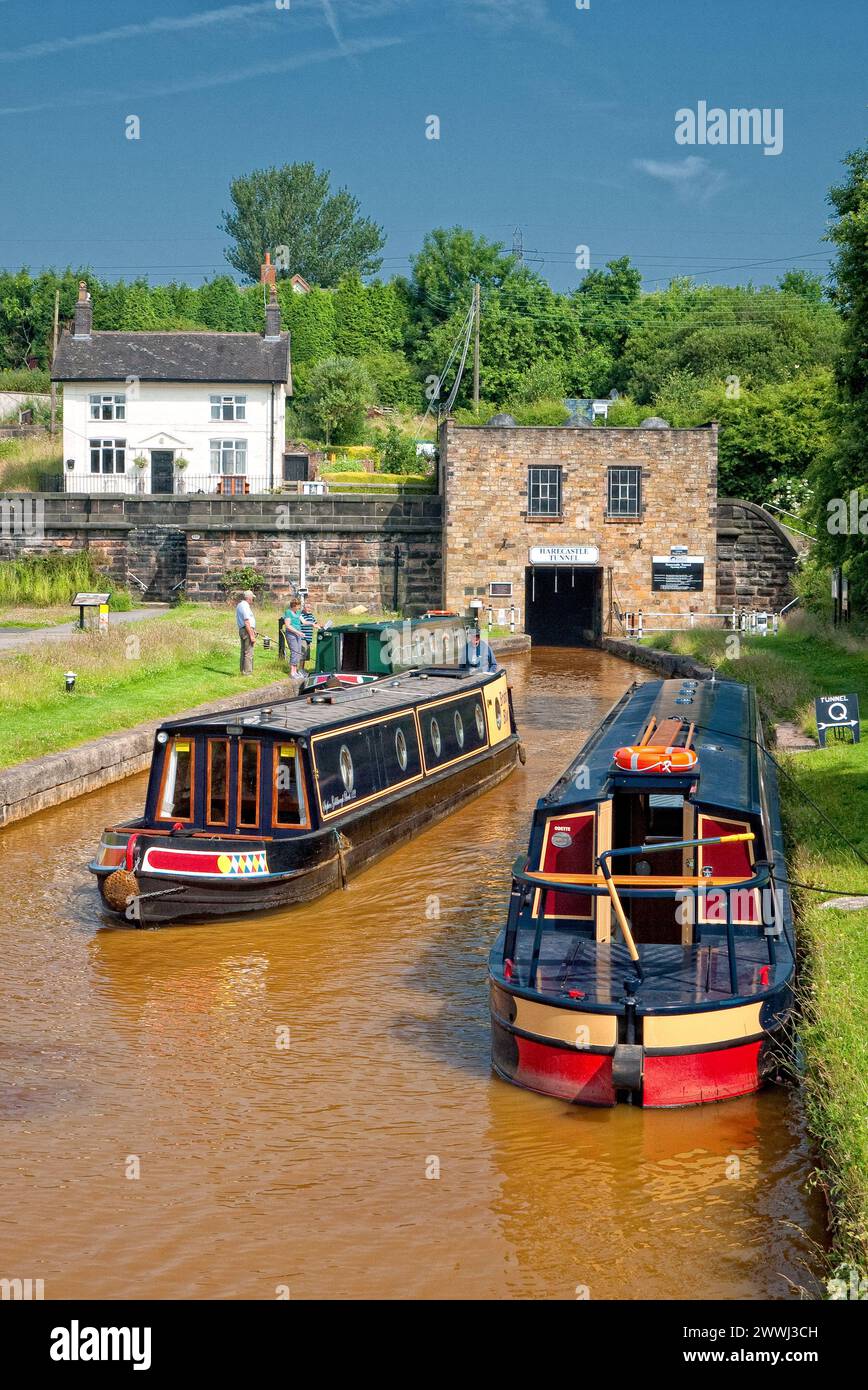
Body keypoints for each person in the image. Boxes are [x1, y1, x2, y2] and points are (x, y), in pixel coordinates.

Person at [282, 596, 304, 680]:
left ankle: (296, 670)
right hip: (291, 634)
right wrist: (297, 632)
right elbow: (287, 626)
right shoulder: (288, 612)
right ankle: (292, 672)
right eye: (298, 606)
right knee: (294, 651)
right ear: (294, 605)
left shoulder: (298, 613)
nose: (299, 607)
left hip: (298, 634)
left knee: (298, 652)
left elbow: (304, 621)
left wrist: (313, 624)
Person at [236, 589, 256, 674]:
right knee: (248, 652)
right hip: (246, 630)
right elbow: (247, 621)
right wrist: (251, 635)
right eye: (252, 598)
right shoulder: (245, 606)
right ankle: (247, 672)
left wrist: (253, 630)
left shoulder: (240, 605)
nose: (253, 599)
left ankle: (242, 671)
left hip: (244, 629)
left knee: (243, 651)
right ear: (249, 597)